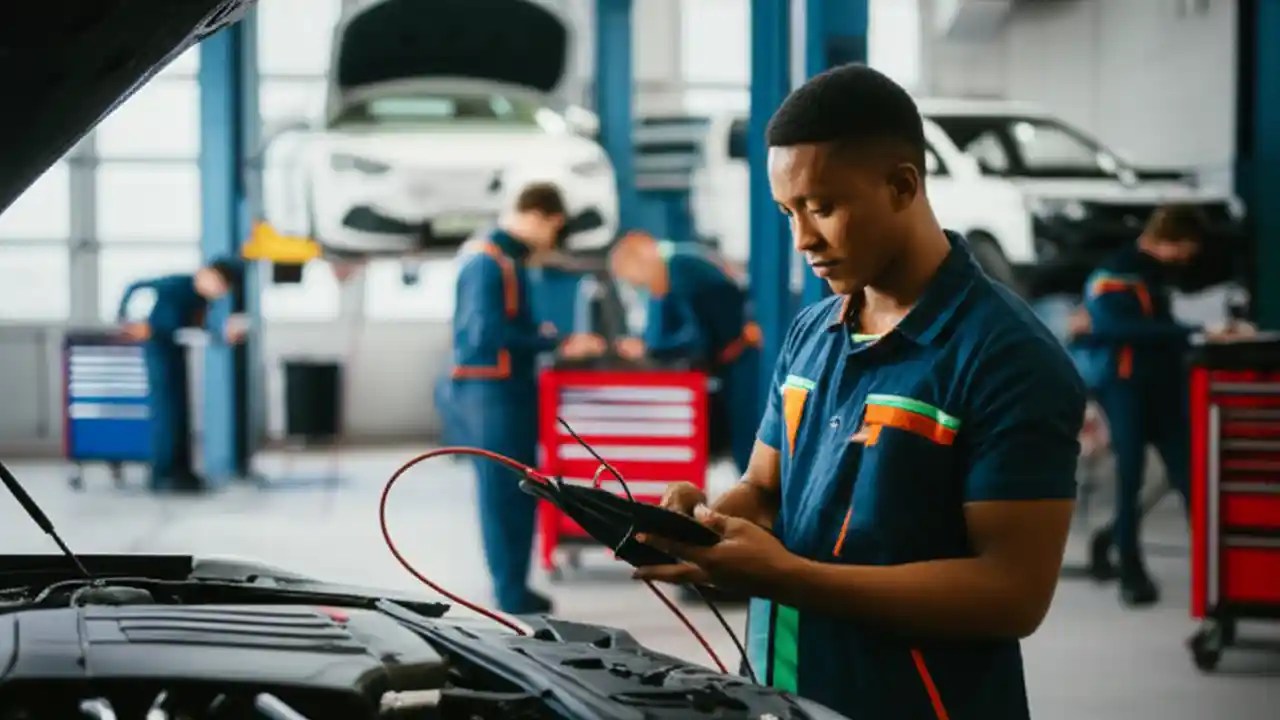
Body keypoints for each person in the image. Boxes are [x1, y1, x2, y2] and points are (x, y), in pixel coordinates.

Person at [631, 64, 1086, 720]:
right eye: (788, 212)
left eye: (822, 206)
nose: (802, 240)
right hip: (775, 691)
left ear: (903, 185)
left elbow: (1012, 593)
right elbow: (764, 489)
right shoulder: (813, 332)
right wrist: (704, 527)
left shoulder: (1007, 359)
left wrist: (787, 577)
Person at [1068, 204, 1253, 605]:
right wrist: (1197, 332)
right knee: (1131, 477)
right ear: (1170, 240)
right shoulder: (1115, 272)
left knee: (1190, 478)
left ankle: (1216, 576)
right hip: (1125, 388)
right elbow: (1114, 328)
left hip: (1165, 388)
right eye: (1187, 246)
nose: (1190, 256)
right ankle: (1130, 571)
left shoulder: (1160, 274)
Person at [450, 181, 605, 615]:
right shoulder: (489, 261)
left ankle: (514, 584)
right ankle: (509, 592)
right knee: (502, 493)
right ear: (540, 216)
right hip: (491, 392)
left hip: (504, 390)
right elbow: (487, 333)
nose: (552, 241)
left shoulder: (503, 259)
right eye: (555, 229)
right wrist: (549, 342)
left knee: (516, 488)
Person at [608, 231, 762, 472]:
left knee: (749, 447)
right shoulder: (678, 266)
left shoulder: (680, 270)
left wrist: (648, 345)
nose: (639, 286)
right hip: (733, 362)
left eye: (635, 279)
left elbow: (691, 340)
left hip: (743, 362)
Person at [117, 258, 247, 491]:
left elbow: (202, 328)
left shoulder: (201, 301)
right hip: (158, 352)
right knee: (166, 414)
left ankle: (181, 471)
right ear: (206, 274)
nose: (219, 292)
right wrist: (125, 320)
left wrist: (224, 335)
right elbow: (135, 286)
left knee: (180, 413)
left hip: (176, 354)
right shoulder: (176, 284)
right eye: (219, 284)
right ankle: (162, 475)